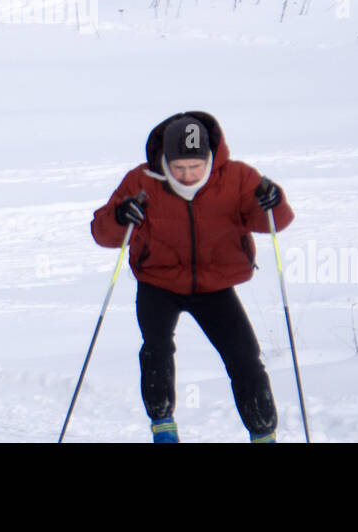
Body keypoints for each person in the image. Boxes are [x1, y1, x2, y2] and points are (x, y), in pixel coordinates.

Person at [90, 110, 295, 442]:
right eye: (179, 168)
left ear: (210, 159)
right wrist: (119, 215)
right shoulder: (141, 181)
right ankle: (163, 426)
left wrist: (272, 202)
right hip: (158, 282)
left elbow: (272, 222)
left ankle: (264, 434)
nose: (187, 176)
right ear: (164, 160)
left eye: (195, 167)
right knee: (156, 348)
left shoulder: (238, 178)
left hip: (215, 286)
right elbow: (104, 234)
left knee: (244, 356)